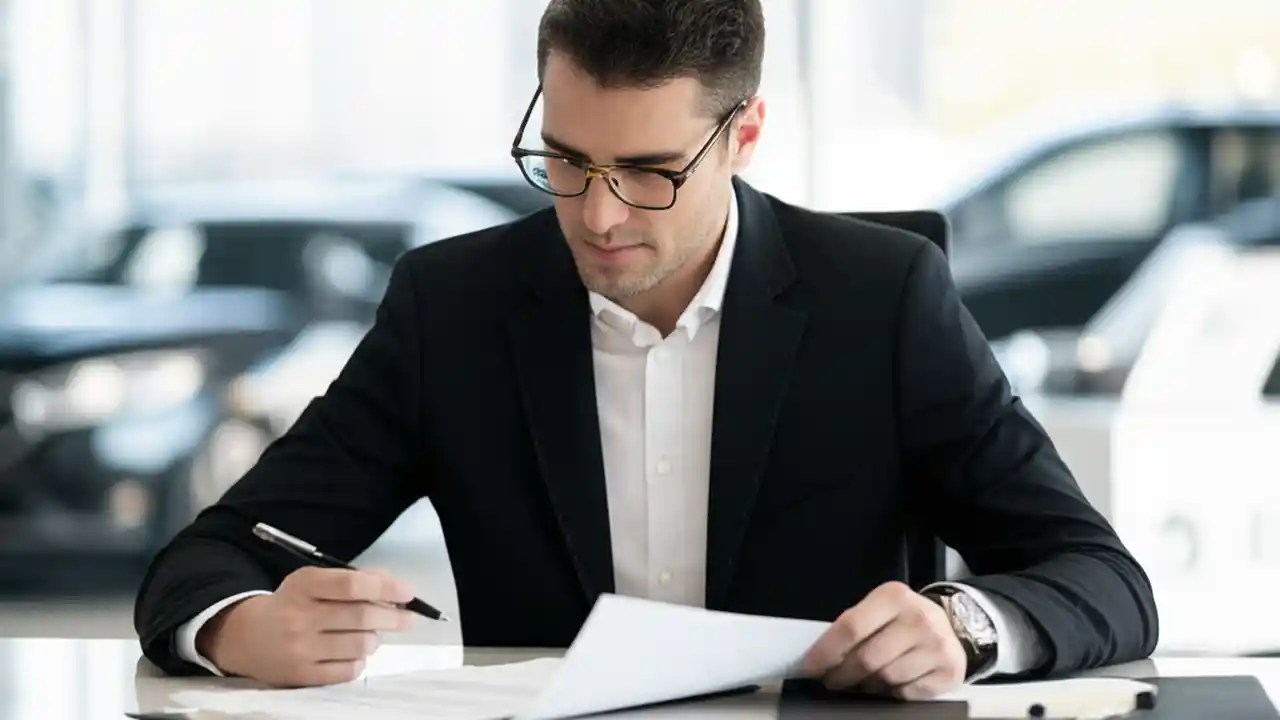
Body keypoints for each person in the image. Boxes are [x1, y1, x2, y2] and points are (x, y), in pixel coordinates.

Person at [134, 0, 1158, 697]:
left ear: (745, 135)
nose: (598, 214)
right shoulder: (452, 312)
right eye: (566, 160)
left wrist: (964, 629)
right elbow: (208, 560)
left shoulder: (882, 300)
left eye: (648, 170)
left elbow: (1101, 577)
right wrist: (238, 626)